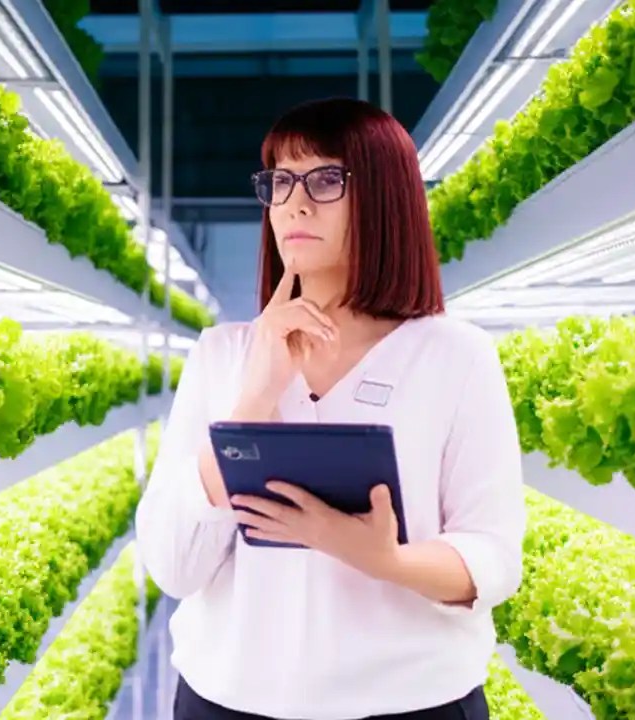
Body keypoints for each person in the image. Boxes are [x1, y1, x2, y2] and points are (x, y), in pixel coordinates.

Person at [134, 97, 526, 720]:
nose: (294, 201)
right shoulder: (223, 355)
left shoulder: (456, 355)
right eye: (280, 181)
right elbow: (175, 567)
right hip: (227, 703)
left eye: (325, 179)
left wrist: (384, 560)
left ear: (386, 197)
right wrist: (253, 399)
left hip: (413, 705)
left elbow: (495, 557)